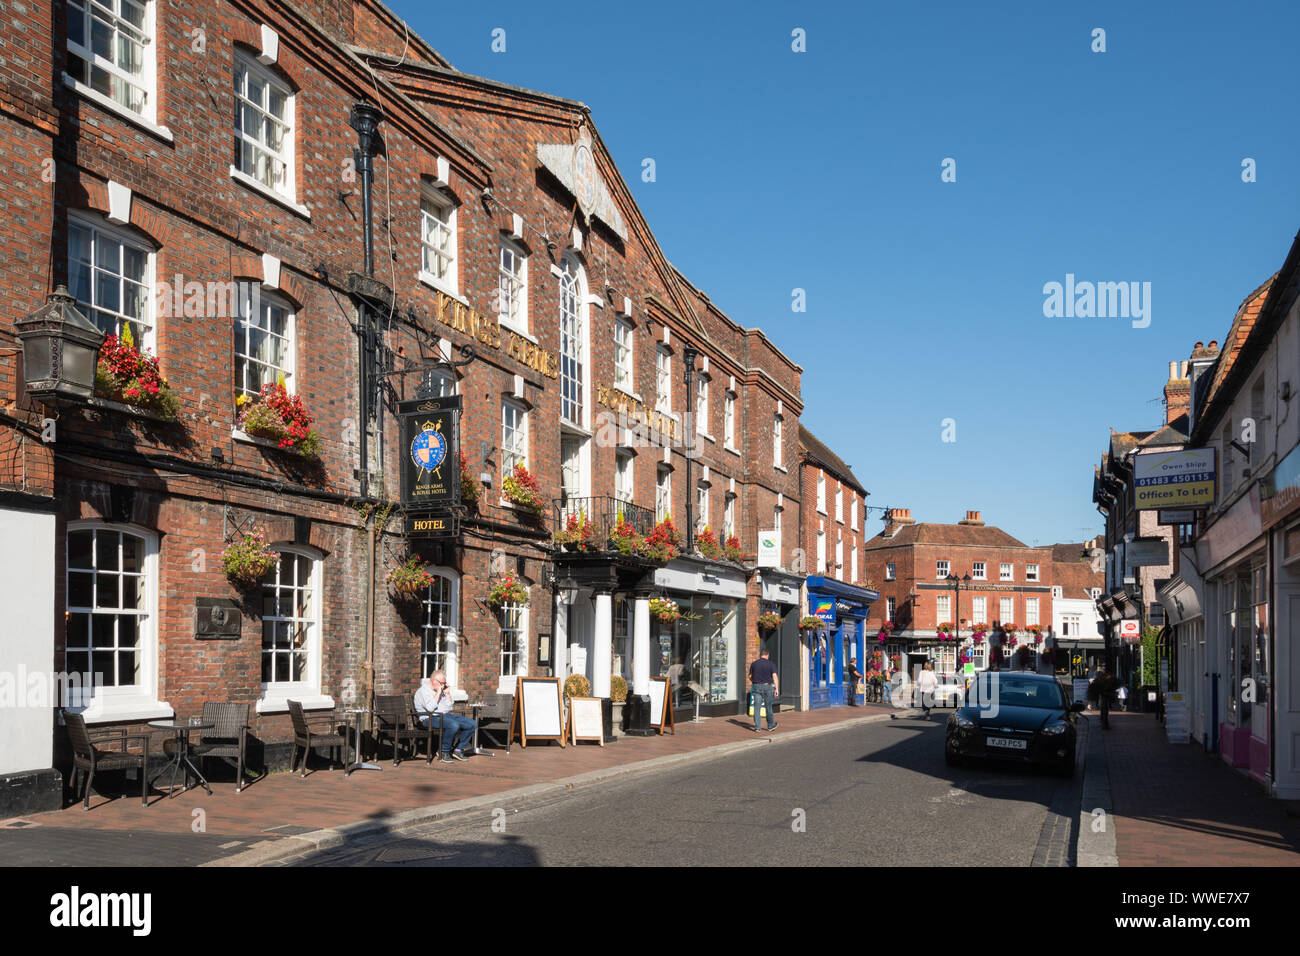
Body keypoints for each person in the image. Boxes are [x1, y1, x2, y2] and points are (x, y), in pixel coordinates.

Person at [413, 670, 478, 761]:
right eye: (442, 683)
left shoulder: (440, 689)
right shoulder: (423, 691)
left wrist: (447, 694)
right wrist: (438, 693)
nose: (444, 685)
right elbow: (430, 708)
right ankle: (443, 751)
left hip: (444, 716)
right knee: (453, 725)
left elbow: (448, 708)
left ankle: (458, 750)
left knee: (472, 724)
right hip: (429, 718)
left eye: (445, 683)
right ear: (434, 681)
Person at [749, 648, 779, 732]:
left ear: (760, 655)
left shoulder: (754, 664)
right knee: (768, 706)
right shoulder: (771, 664)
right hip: (768, 687)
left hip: (756, 686)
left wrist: (755, 682)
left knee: (757, 707)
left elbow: (750, 676)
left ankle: (757, 727)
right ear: (767, 655)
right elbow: (775, 677)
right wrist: (777, 689)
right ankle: (770, 725)